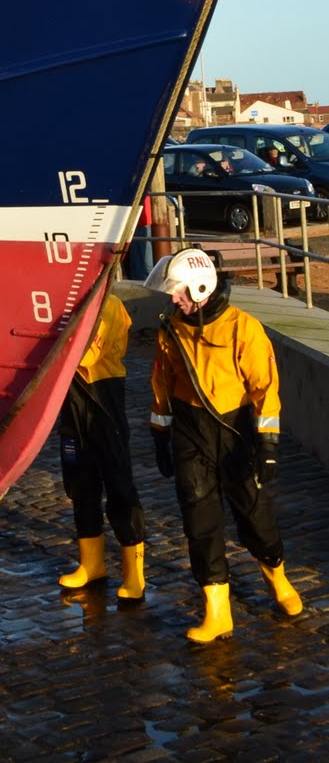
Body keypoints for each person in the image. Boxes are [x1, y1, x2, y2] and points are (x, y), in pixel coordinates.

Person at [146, 247, 303, 643]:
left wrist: (268, 446)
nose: (173, 299)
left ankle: (277, 576)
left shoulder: (242, 329)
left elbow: (266, 389)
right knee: (199, 521)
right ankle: (217, 611)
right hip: (191, 431)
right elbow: (162, 383)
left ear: (200, 288)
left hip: (234, 432)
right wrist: (160, 433)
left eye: (179, 292)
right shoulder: (172, 329)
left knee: (255, 515)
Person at [56, 290, 146, 600]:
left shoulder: (109, 306)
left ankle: (134, 574)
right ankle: (91, 563)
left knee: (118, 483)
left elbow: (87, 355)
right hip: (70, 398)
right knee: (80, 483)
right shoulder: (60, 305)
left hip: (102, 394)